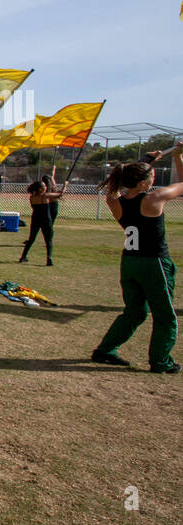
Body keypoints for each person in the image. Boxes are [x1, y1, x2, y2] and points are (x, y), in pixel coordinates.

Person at [91, 144, 183, 374]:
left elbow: (118, 181)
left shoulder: (115, 202)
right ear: (143, 183)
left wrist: (145, 161)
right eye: (150, 177)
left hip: (130, 263)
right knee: (165, 316)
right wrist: (178, 157)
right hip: (153, 263)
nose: (153, 181)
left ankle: (105, 350)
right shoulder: (153, 199)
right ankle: (161, 361)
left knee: (135, 312)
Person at [19, 175, 66, 265]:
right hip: (46, 220)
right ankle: (49, 258)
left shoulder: (32, 198)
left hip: (36, 219)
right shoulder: (45, 196)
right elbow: (60, 194)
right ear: (40, 189)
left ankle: (23, 257)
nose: (45, 187)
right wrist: (65, 185)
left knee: (31, 239)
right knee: (48, 240)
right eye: (43, 186)